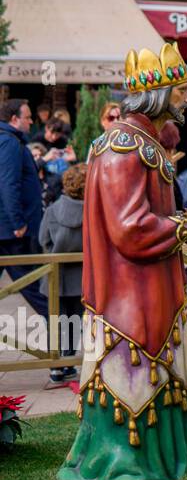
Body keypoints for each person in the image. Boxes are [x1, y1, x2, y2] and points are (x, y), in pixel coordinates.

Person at [59, 43, 187, 480]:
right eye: (183, 89)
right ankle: (130, 461)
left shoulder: (142, 143)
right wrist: (186, 227)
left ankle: (170, 455)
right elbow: (129, 230)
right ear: (160, 93)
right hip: (128, 299)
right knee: (134, 377)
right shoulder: (124, 148)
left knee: (157, 373)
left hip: (152, 289)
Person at [40, 163, 89, 386]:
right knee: (74, 320)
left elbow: (44, 241)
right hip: (80, 275)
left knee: (55, 321)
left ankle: (55, 366)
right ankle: (69, 361)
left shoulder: (52, 210)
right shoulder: (92, 212)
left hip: (55, 274)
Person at [0, 99, 46, 318]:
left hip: (7, 230)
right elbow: (9, 183)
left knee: (32, 285)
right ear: (14, 119)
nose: (31, 121)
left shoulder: (10, 140)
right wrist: (18, 222)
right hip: (11, 232)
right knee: (33, 287)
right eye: (27, 117)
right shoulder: (9, 142)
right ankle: (63, 336)